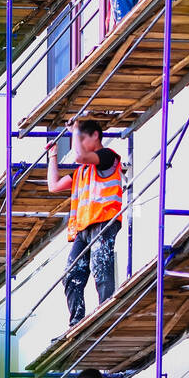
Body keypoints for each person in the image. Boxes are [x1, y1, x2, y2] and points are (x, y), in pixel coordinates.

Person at [47, 118, 123, 328]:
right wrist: (53, 155)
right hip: (83, 228)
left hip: (104, 221)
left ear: (95, 136)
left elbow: (80, 156)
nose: (78, 142)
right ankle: (76, 320)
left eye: (82, 138)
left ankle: (105, 313)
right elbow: (53, 186)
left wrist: (74, 129)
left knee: (101, 268)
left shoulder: (108, 157)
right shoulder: (82, 171)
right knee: (72, 275)